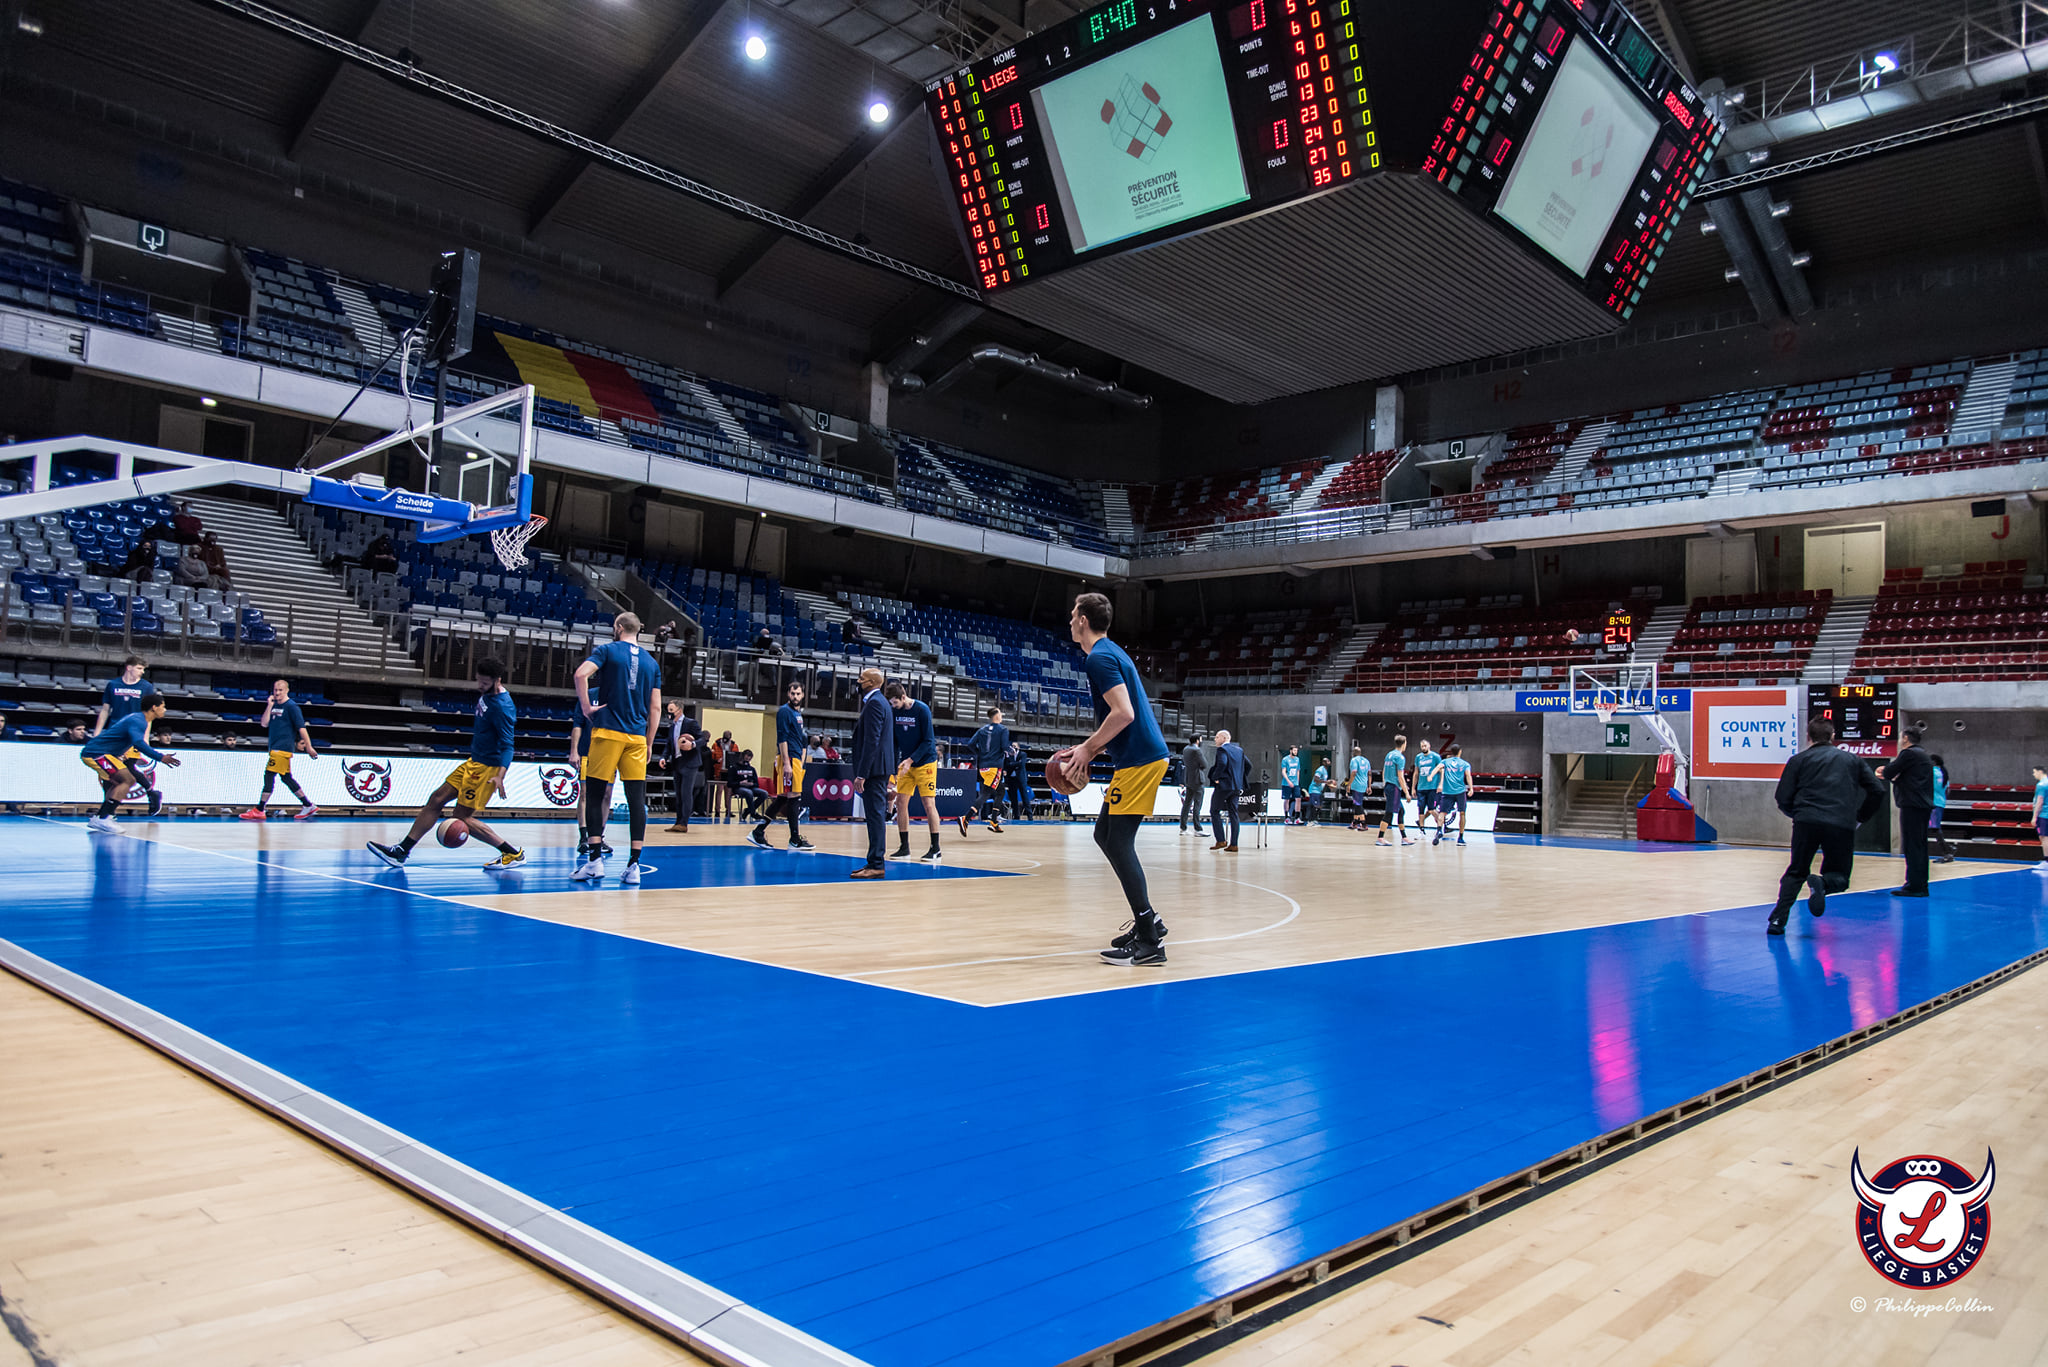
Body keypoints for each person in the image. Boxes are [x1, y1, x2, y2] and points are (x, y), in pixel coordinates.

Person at [1046, 593, 1171, 966]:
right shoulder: (1110, 651)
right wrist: (1089, 749)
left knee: (1117, 843)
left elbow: (1124, 713)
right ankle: (1150, 923)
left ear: (1083, 619)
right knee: (1106, 836)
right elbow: (1119, 719)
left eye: (1072, 614)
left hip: (1140, 760)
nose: (1069, 620)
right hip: (1137, 758)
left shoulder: (1099, 657)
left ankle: (1150, 937)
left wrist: (1086, 750)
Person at [367, 660, 526, 870]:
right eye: (478, 681)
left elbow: (508, 745)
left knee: (462, 818)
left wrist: (501, 775)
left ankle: (511, 853)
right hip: (473, 762)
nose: (479, 686)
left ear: (497, 680)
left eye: (484, 683)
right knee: (436, 799)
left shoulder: (503, 708)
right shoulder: (488, 693)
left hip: (486, 769)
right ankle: (402, 851)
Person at [1766, 717, 1888, 934]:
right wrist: (1860, 817)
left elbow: (1782, 796)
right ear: (1833, 736)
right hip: (1841, 823)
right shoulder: (1853, 760)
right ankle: (1822, 883)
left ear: (1809, 736)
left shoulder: (1798, 760)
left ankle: (1778, 920)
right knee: (1840, 877)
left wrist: (1798, 814)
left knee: (1796, 871)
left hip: (1806, 821)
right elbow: (1877, 790)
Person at [573, 612, 661, 884]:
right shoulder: (651, 662)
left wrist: (587, 707)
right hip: (635, 738)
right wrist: (648, 742)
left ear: (619, 628)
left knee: (596, 794)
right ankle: (634, 866)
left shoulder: (608, 650)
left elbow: (580, 674)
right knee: (636, 800)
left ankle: (594, 861)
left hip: (608, 732)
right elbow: (655, 707)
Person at [80, 696, 180, 833]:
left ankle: (101, 817)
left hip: (103, 753)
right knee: (128, 779)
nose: (165, 709)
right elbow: (138, 742)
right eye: (163, 706)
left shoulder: (137, 718)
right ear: (154, 708)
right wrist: (160, 757)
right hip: (96, 753)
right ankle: (103, 819)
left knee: (118, 782)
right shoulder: (138, 720)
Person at [94, 656, 166, 818]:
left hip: (133, 732)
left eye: (143, 669)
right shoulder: (113, 685)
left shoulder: (146, 687)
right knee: (108, 773)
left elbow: (150, 714)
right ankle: (107, 811)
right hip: (114, 732)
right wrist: (97, 732)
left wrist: (145, 737)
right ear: (129, 667)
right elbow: (105, 709)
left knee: (129, 766)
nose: (142, 672)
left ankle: (151, 793)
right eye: (139, 668)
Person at [241, 679, 318, 821]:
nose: (277, 693)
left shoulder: (292, 707)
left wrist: (308, 746)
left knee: (269, 776)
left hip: (282, 749)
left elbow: (302, 728)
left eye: (280, 690)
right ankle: (308, 805)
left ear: (287, 690)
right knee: (286, 778)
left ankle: (259, 809)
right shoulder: (274, 704)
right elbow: (264, 723)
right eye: (275, 690)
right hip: (274, 747)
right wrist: (269, 705)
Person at [753, 680, 816, 850]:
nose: (795, 696)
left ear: (802, 695)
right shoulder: (784, 711)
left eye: (798, 693)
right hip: (788, 759)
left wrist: (800, 762)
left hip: (795, 759)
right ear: (788, 694)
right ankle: (794, 839)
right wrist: (786, 763)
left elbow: (800, 740)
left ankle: (758, 831)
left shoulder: (797, 713)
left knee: (784, 797)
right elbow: (782, 738)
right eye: (792, 693)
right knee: (793, 797)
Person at [887, 682, 943, 861]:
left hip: (925, 763)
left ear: (903, 697)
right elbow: (894, 742)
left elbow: (928, 742)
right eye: (891, 703)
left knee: (929, 804)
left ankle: (936, 849)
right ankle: (904, 848)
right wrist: (894, 768)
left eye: (895, 702)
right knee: (900, 803)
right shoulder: (895, 712)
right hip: (906, 764)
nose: (893, 706)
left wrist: (911, 760)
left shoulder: (922, 710)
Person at [1879, 720, 1934, 898]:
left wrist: (1883, 771)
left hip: (1912, 805)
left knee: (1912, 846)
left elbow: (1888, 771)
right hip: (1922, 805)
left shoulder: (1908, 754)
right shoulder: (1923, 755)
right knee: (1919, 845)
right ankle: (1919, 883)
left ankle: (1914, 886)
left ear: (1905, 738)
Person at [849, 667, 892, 879]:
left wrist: (862, 774)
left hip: (874, 771)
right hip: (878, 768)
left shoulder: (875, 703)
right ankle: (873, 861)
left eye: (861, 679)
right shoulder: (879, 702)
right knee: (874, 816)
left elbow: (872, 741)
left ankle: (876, 863)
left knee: (875, 817)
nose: (858, 682)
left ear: (873, 683)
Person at [566, 690, 611, 864]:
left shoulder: (619, 693)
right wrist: (574, 751)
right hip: (587, 752)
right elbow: (578, 724)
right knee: (584, 793)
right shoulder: (588, 694)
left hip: (609, 754)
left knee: (606, 795)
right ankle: (584, 837)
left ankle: (598, 836)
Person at [960, 706, 1011, 835]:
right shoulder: (1003, 729)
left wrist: (981, 754)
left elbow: (971, 744)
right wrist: (1012, 751)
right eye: (1000, 713)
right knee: (986, 794)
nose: (1002, 715)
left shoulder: (982, 730)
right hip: (994, 767)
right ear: (997, 716)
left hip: (983, 767)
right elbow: (1005, 746)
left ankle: (994, 821)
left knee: (1000, 791)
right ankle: (966, 818)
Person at [659, 702, 708, 833]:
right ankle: (678, 822)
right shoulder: (672, 726)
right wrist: (663, 757)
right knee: (679, 795)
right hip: (677, 763)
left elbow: (703, 740)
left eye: (671, 710)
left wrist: (692, 744)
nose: (669, 713)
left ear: (679, 710)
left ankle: (684, 823)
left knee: (686, 793)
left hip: (690, 763)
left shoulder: (691, 723)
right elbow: (669, 745)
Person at [1210, 728, 1246, 852]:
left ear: (1224, 738)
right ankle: (1234, 844)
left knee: (1214, 810)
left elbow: (1222, 764)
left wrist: (1216, 778)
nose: (1215, 739)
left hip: (1224, 785)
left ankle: (1221, 840)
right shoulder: (1239, 750)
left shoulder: (1222, 750)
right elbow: (1249, 765)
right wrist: (1239, 778)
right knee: (1234, 814)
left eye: (1217, 737)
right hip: (1236, 786)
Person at [1433, 743, 1474, 846]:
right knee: (1462, 813)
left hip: (1447, 792)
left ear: (1451, 752)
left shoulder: (1445, 761)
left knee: (1442, 813)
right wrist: (1471, 788)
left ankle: (1438, 830)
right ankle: (1460, 838)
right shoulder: (1465, 764)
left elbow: (1438, 767)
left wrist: (1431, 775)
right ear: (1460, 752)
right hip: (1460, 792)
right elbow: (1468, 776)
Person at [1377, 734, 1413, 847]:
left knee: (1401, 811)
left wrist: (1384, 785)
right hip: (1394, 787)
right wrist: (1407, 793)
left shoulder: (1389, 754)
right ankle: (1380, 838)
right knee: (1389, 813)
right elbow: (1400, 776)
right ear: (1404, 744)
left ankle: (1404, 838)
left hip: (1388, 785)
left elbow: (1384, 771)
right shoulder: (1400, 757)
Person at [1413, 739, 1444, 837]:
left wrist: (1440, 784)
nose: (1423, 748)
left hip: (1432, 787)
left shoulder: (1435, 757)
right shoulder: (1418, 757)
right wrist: (1413, 787)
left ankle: (1440, 826)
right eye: (1422, 746)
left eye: (1425, 745)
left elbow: (1441, 771)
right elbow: (1416, 773)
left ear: (1429, 745)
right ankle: (1422, 830)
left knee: (1431, 809)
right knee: (1421, 809)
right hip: (1421, 787)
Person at [1928, 753, 1955, 863]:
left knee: (1935, 828)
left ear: (1933, 762)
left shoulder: (1933, 772)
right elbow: (1947, 791)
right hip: (1940, 802)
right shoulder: (1944, 773)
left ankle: (1948, 851)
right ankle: (1948, 850)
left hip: (1933, 803)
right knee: (1934, 828)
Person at [728, 750, 768, 820]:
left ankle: (748, 810)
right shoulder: (734, 768)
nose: (747, 760)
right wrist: (740, 783)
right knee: (749, 793)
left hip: (751, 787)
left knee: (764, 793)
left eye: (749, 758)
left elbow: (756, 783)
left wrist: (751, 784)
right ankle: (753, 813)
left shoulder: (752, 769)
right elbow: (729, 783)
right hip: (739, 787)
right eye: (746, 758)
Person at [1178, 738, 1207, 833]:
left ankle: (1183, 827)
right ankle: (1197, 828)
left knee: (1187, 803)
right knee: (1197, 804)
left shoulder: (1186, 749)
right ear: (1197, 740)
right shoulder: (1197, 750)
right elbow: (1204, 764)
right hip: (1197, 779)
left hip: (1188, 779)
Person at [1003, 741, 1033, 821]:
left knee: (1024, 797)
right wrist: (1013, 763)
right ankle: (1016, 816)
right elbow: (1006, 764)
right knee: (1013, 798)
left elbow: (1021, 764)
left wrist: (1012, 764)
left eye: (1014, 746)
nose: (1013, 747)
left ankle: (1030, 816)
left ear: (1018, 747)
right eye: (1012, 746)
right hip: (1011, 779)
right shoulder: (1008, 755)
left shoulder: (1022, 754)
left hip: (1021, 778)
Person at [1347, 743, 1372, 830]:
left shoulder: (1354, 760)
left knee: (1358, 804)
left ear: (1353, 752)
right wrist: (1369, 786)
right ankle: (1355, 822)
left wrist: (1348, 784)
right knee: (1356, 803)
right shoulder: (1366, 761)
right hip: (1363, 785)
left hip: (1356, 785)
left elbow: (1353, 773)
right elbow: (1369, 774)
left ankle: (1364, 823)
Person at [1279, 745, 1302, 825]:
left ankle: (1297, 818)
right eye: (1294, 750)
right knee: (1287, 800)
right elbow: (1283, 772)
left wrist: (1297, 782)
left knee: (1298, 799)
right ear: (1290, 751)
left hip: (1295, 783)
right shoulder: (1285, 759)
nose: (1296, 752)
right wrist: (1288, 781)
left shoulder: (1297, 759)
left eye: (1297, 751)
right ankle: (1286, 818)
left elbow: (1298, 771)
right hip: (1286, 783)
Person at [2033, 763, 2048, 870]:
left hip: (2044, 814)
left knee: (2044, 837)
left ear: (2040, 771)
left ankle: (2046, 861)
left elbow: (2040, 801)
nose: (2033, 775)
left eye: (2034, 772)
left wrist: (2034, 816)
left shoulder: (2041, 785)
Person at [1309, 757, 1330, 824]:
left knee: (1319, 806)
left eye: (1329, 761)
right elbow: (1316, 779)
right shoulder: (1320, 770)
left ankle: (1314, 820)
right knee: (1315, 806)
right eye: (1327, 761)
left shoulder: (1325, 771)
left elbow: (1323, 782)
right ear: (1323, 763)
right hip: (1314, 790)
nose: (1329, 762)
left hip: (1319, 791)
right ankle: (1310, 821)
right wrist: (1326, 782)